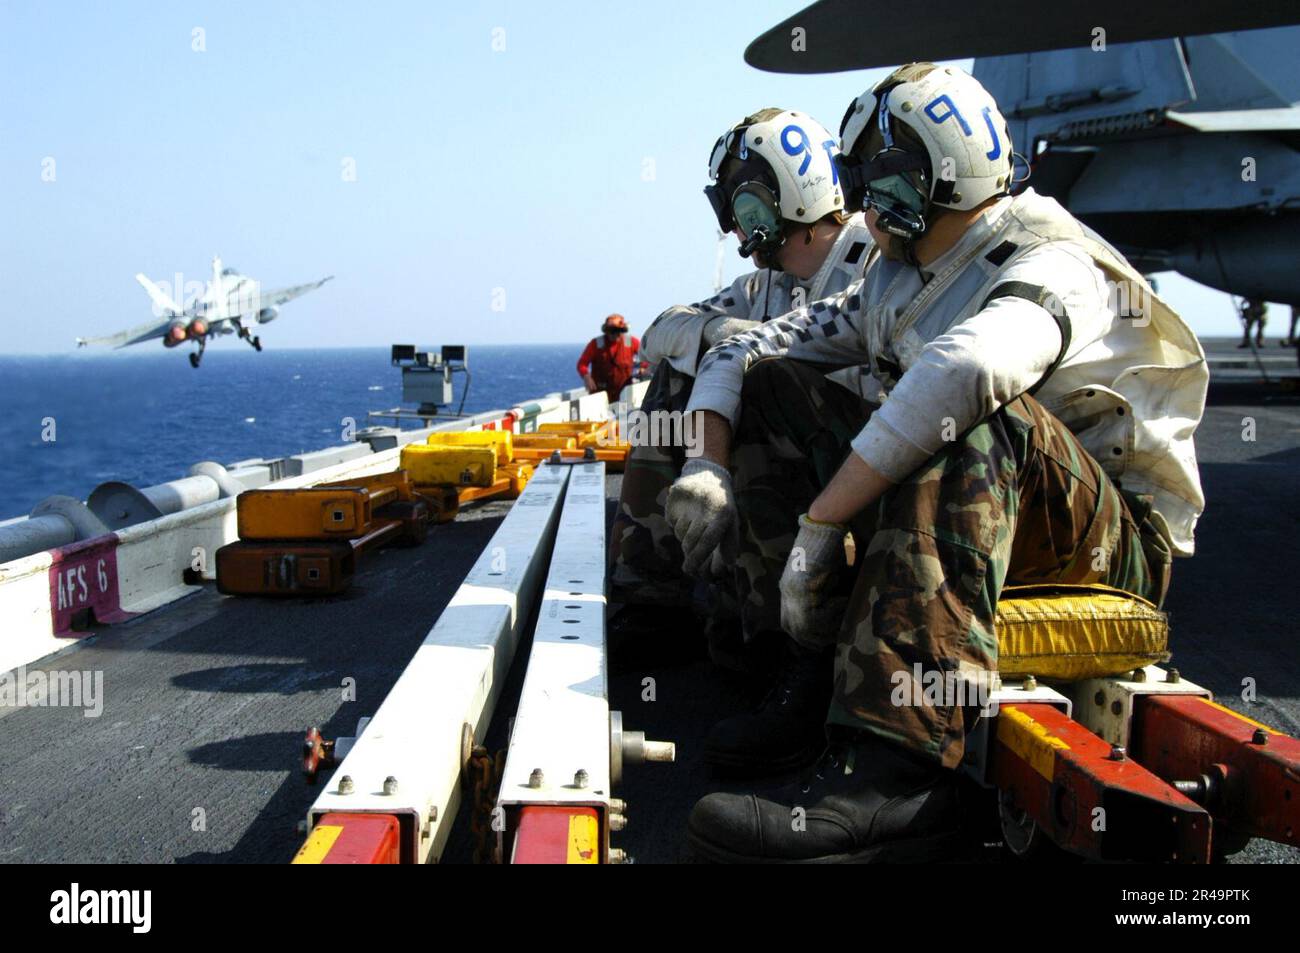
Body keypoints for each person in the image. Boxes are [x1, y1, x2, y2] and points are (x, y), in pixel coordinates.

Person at [666, 64, 1207, 862]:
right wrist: (706, 465)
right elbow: (751, 347)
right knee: (778, 387)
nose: (860, 207)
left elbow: (969, 371)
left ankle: (901, 772)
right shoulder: (901, 276)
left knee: (969, 417)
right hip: (984, 514)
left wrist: (822, 524)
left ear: (923, 183)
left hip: (1105, 540)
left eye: (874, 183)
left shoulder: (1051, 258)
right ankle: (809, 668)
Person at [608, 107, 875, 687]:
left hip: (847, 474)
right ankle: (655, 596)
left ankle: (780, 646)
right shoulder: (765, 286)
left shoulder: (875, 266)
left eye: (746, 207)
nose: (735, 229)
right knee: (677, 377)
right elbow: (661, 332)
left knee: (762, 384)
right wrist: (717, 337)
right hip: (790, 465)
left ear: (794, 194)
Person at [576, 314, 642, 401]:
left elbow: (646, 357)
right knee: (600, 414)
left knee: (622, 413)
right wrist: (586, 377)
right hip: (600, 395)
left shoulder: (631, 342)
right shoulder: (596, 344)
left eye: (618, 331)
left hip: (623, 394)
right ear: (606, 331)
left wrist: (643, 368)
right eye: (611, 331)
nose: (614, 334)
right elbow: (582, 364)